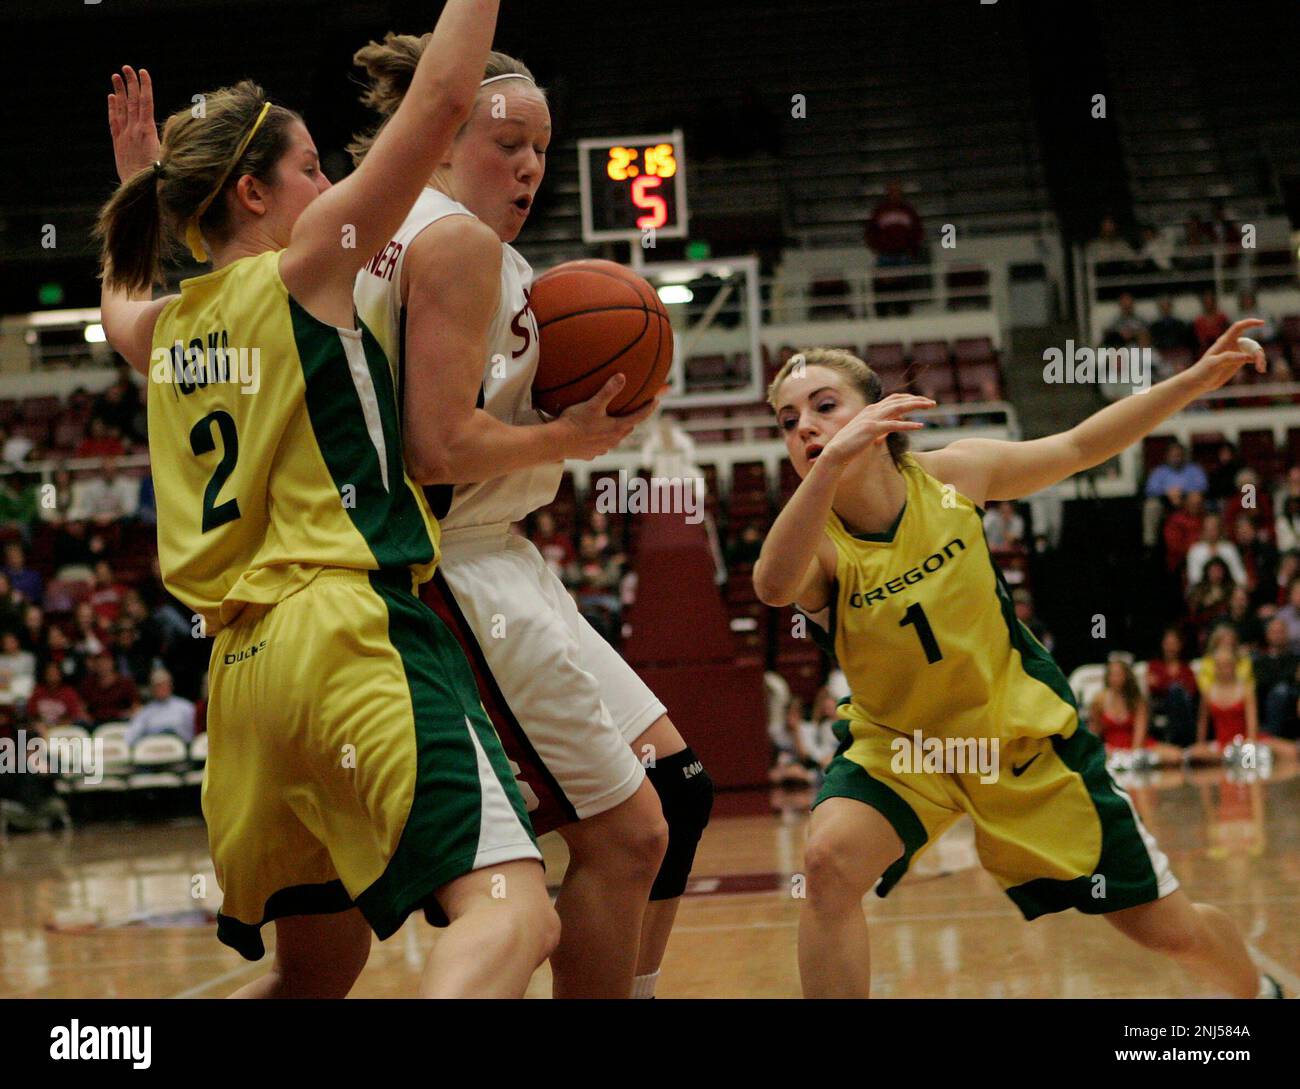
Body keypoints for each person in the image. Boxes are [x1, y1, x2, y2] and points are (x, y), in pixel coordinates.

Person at [97, 4, 560, 1000]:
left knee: (315, 976)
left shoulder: (164, 330)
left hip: (242, 681)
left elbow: (119, 287)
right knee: (514, 913)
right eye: (313, 167)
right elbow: (440, 103)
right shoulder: (309, 274)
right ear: (256, 192)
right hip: (347, 635)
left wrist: (141, 184)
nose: (331, 184)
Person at [756, 326, 1282, 999]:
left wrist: (1193, 381)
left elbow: (1078, 446)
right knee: (828, 863)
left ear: (879, 413)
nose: (805, 427)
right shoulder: (817, 538)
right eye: (788, 420)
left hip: (1020, 742)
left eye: (825, 405)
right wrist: (828, 467)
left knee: (1166, 929)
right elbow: (772, 587)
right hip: (903, 748)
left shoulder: (953, 475)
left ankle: (1258, 993)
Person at [350, 36, 712, 999]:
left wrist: (559, 424)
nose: (530, 167)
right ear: (437, 138)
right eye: (507, 142)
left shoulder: (423, 233)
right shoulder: (448, 239)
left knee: (672, 793)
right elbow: (439, 447)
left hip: (502, 555)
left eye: (543, 149)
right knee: (628, 834)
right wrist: (571, 439)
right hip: (453, 567)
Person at [1087, 657, 1181, 765]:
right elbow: (1094, 733)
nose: (1115, 678)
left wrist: (1132, 754)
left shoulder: (1137, 700)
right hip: (1111, 750)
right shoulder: (1098, 700)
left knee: (1176, 755)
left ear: (1127, 676)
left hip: (1137, 748)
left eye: (1119, 674)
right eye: (1112, 674)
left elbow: (1139, 736)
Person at [1146, 627, 1198, 747]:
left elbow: (1192, 690)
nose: (1171, 647)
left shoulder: (1186, 668)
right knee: (1175, 690)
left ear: (1180, 645)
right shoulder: (1154, 666)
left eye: (1174, 644)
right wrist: (1173, 685)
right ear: (1162, 645)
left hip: (1184, 709)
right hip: (1162, 706)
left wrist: (1164, 683)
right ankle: (1181, 743)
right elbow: (1152, 687)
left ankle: (1182, 742)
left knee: (1177, 693)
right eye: (1168, 644)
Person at [123, 668, 195, 749]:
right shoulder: (144, 712)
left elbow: (193, 737)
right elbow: (130, 738)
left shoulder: (186, 707)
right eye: (157, 685)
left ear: (171, 685)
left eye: (164, 684)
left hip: (181, 755)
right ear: (151, 688)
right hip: (151, 755)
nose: (161, 688)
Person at [1253, 618, 1299, 740]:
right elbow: (1262, 683)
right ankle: (1273, 738)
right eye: (1274, 632)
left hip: (1292, 708)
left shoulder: (1296, 659)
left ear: (1287, 634)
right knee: (1280, 691)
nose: (1278, 635)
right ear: (1267, 635)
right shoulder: (1259, 661)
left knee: (1283, 690)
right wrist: (1288, 677)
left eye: (1281, 632)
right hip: (1266, 707)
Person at [78, 649, 139, 724]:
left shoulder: (125, 682)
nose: (102, 665)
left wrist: (128, 715)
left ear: (112, 663)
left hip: (121, 722)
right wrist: (87, 719)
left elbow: (136, 706)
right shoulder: (87, 683)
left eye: (105, 662)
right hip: (95, 723)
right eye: (99, 663)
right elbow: (81, 707)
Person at [1186, 513, 1247, 587]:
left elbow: (1239, 575)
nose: (1211, 531)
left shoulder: (1229, 548)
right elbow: (1194, 578)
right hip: (1203, 591)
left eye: (1214, 528)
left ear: (1220, 529)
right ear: (1203, 530)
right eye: (1208, 528)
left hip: (1227, 589)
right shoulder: (1195, 550)